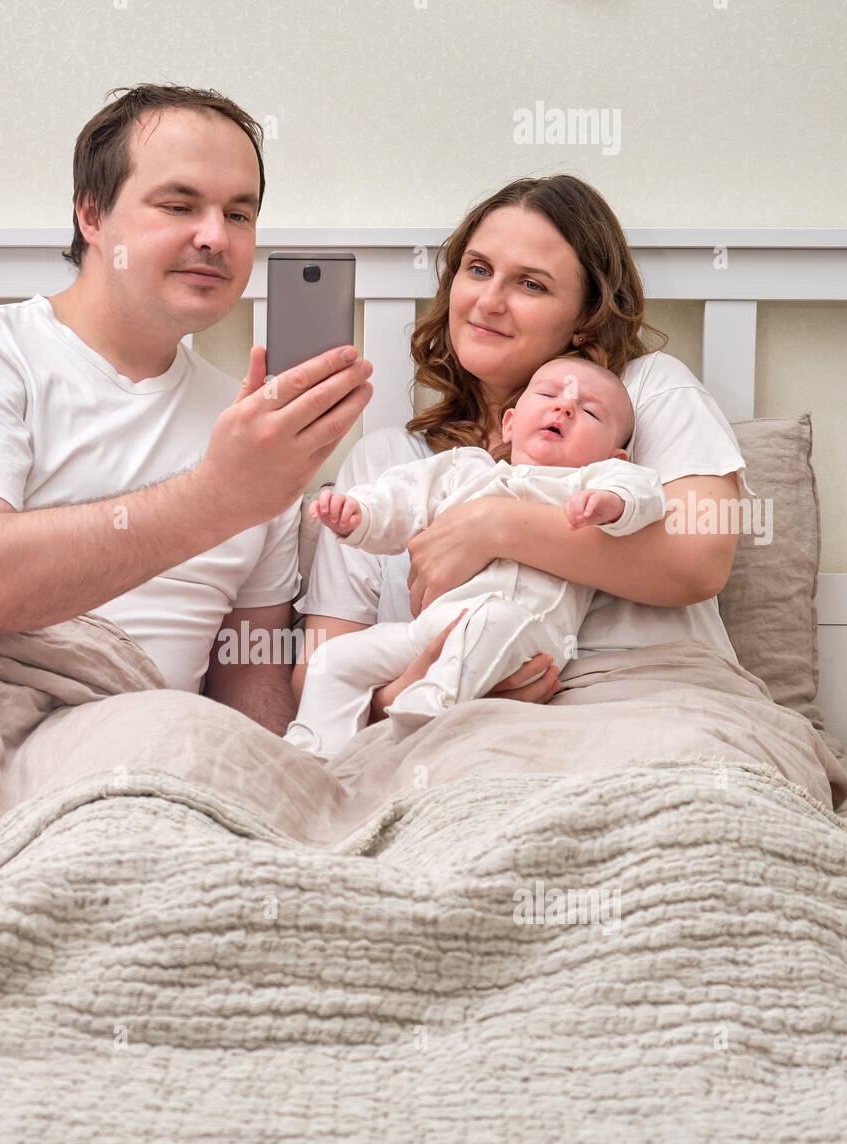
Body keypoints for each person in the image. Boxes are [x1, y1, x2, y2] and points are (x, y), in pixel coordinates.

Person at [0, 82, 376, 737]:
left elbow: (246, 671)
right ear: (91, 217)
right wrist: (221, 495)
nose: (214, 237)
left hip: (141, 747)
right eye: (179, 205)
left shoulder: (248, 429)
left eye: (238, 215)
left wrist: (279, 776)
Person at [293, 174, 759, 729]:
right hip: (444, 725)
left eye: (531, 285)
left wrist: (493, 525)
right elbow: (316, 672)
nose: (488, 302)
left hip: (647, 706)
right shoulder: (387, 462)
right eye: (479, 270)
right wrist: (420, 689)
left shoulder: (645, 394)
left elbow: (697, 563)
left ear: (586, 321)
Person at [286, 358, 665, 759]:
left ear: (614, 457)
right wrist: (360, 514)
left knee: (493, 619)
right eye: (548, 394)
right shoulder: (466, 470)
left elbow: (646, 493)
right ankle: (315, 752)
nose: (565, 407)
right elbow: (403, 499)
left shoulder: (587, 484)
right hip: (432, 628)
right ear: (510, 424)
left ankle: (433, 705)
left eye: (589, 411)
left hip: (523, 631)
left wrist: (613, 502)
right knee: (334, 658)